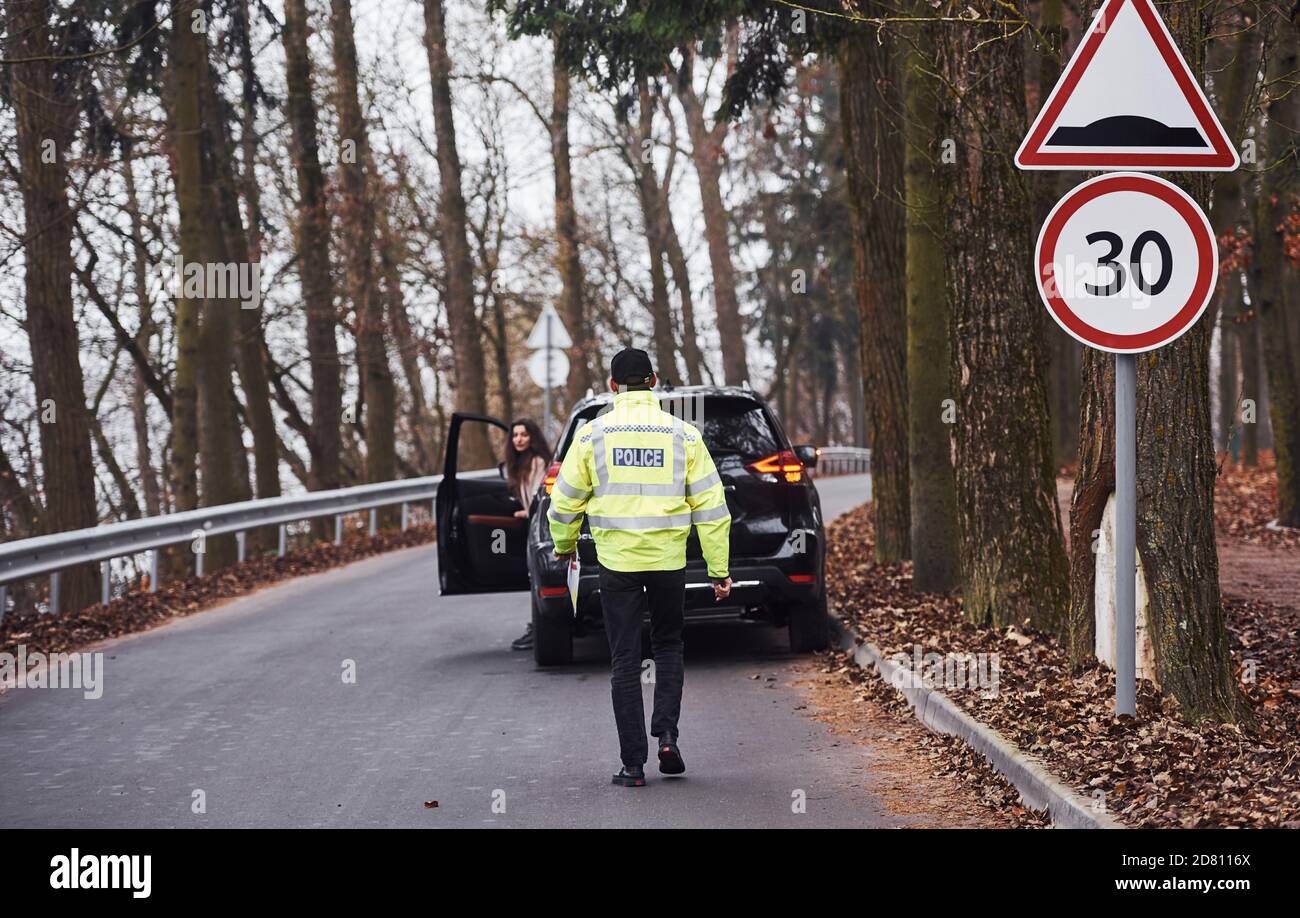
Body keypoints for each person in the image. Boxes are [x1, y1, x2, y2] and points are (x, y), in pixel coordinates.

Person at [547, 347, 731, 787]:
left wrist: (564, 545)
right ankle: (667, 736)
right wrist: (718, 570)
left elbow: (565, 501)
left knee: (624, 660)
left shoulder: (592, 436)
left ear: (612, 386)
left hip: (617, 565)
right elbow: (711, 506)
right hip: (668, 562)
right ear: (653, 382)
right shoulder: (683, 436)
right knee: (668, 647)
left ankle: (633, 765)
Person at [507, 418, 552, 652]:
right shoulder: (519, 464)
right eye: (515, 435)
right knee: (533, 577)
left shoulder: (537, 462)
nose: (519, 439)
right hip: (531, 526)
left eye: (523, 435)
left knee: (536, 577)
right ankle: (536, 626)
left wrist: (528, 510)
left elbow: (538, 492)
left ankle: (538, 627)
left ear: (532, 437)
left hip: (538, 526)